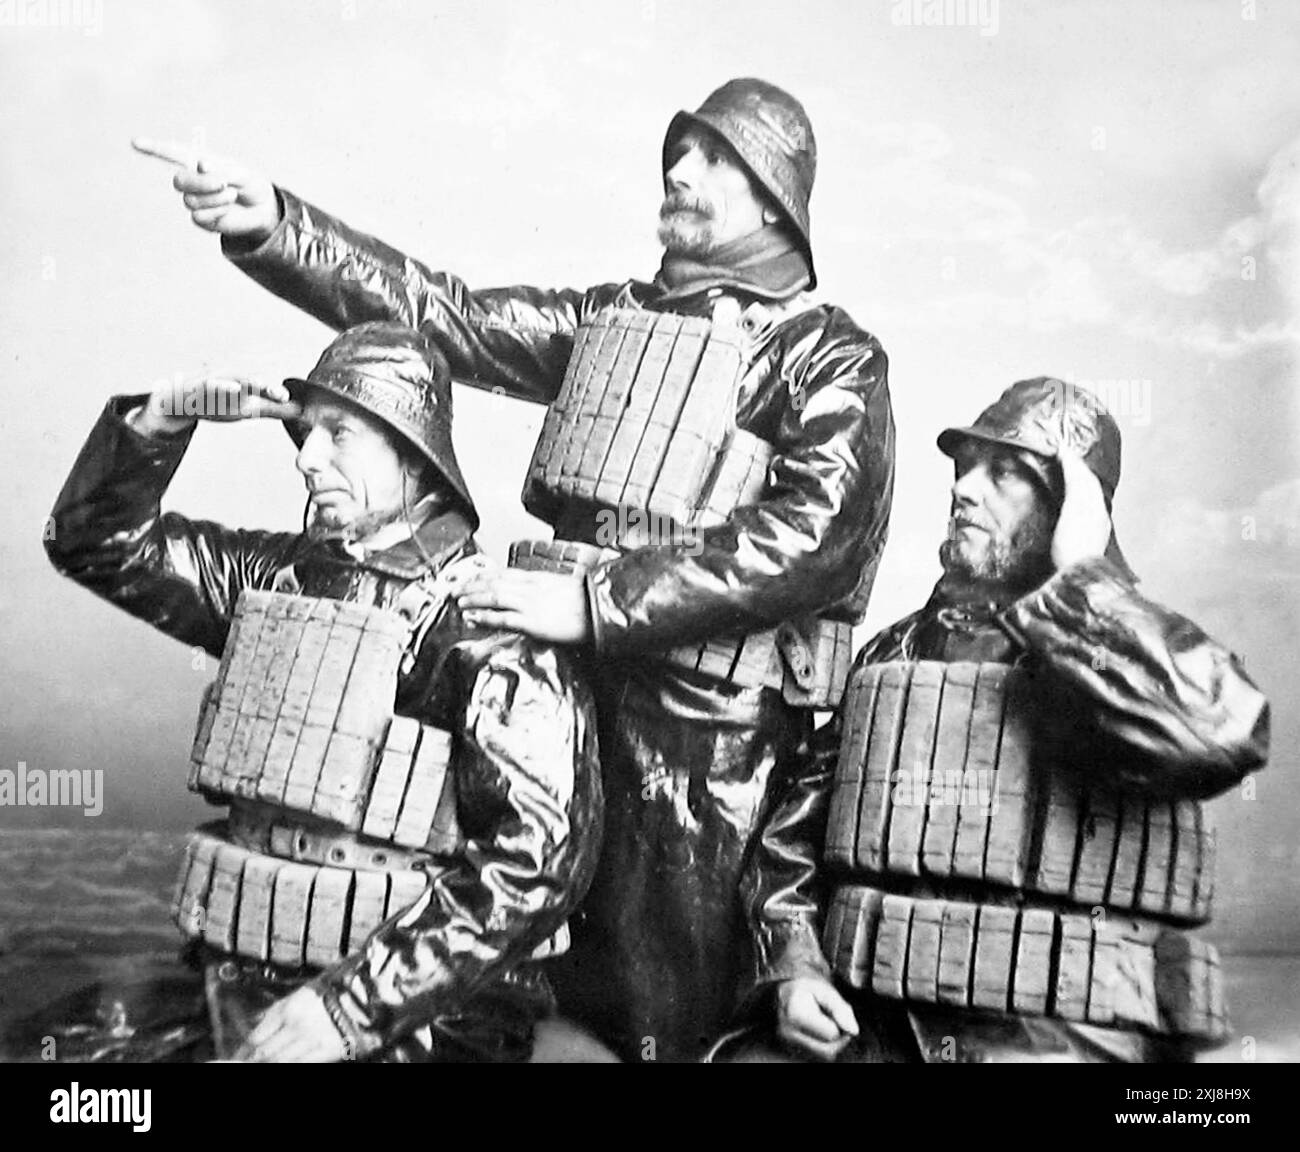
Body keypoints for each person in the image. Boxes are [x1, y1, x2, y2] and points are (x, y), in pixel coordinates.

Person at [134, 77, 896, 1062]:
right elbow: (444, 316)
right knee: (515, 980)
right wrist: (280, 224)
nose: (677, 170)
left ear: (770, 193)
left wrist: (597, 602)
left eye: (711, 156)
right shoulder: (609, 321)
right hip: (553, 704)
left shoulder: (829, 357)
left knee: (674, 1026)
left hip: (713, 763)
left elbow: (817, 534)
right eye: (678, 149)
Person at [43, 321, 603, 1062]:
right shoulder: (268, 576)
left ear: (412, 451)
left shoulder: (487, 625)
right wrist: (158, 421)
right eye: (306, 434)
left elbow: (539, 864)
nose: (307, 460)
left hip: (421, 1015)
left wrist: (349, 1010)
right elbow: (94, 544)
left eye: (338, 434)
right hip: (245, 964)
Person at [733, 378, 1270, 1063]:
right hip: (873, 1016)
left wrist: (1082, 572)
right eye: (966, 468)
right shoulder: (897, 651)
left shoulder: (1123, 654)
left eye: (1007, 473)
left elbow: (1223, 729)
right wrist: (795, 967)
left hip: (1053, 1031)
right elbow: (794, 836)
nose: (964, 490)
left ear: (1073, 508)